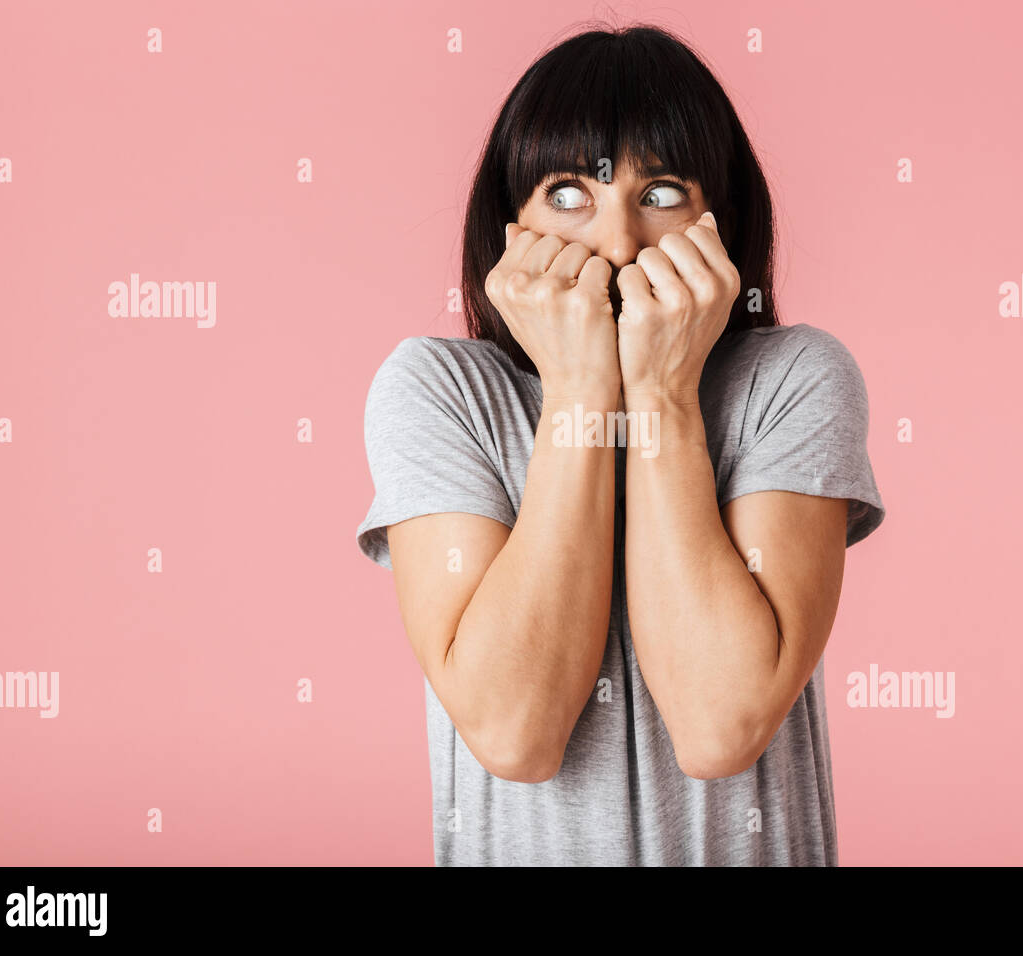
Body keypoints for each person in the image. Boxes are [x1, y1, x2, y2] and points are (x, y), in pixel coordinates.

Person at [356, 23, 886, 866]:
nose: (617, 243)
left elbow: (720, 727)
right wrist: (579, 392)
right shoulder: (439, 391)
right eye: (568, 195)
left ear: (722, 219)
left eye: (662, 191)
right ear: (508, 224)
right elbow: (513, 733)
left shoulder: (794, 379)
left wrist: (664, 393)